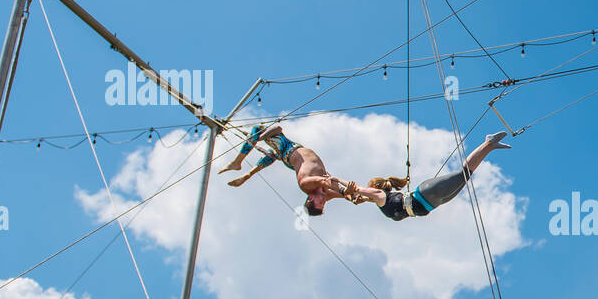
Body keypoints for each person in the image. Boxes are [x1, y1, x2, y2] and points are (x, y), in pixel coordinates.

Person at [343, 131, 509, 220]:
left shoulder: (380, 196)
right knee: (465, 176)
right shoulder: (378, 201)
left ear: (375, 188)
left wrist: (338, 182)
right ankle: (490, 146)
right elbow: (360, 196)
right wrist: (352, 196)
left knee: (463, 173)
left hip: (427, 193)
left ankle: (488, 143)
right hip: (432, 203)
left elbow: (357, 189)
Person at [218, 124, 351, 216]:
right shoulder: (324, 193)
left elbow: (277, 128)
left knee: (258, 130)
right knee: (271, 153)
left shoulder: (309, 186)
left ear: (310, 199)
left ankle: (237, 162)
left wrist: (260, 138)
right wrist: (360, 196)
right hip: (288, 156)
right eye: (323, 204)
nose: (324, 201)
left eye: (320, 203)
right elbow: (349, 196)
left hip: (289, 150)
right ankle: (247, 173)